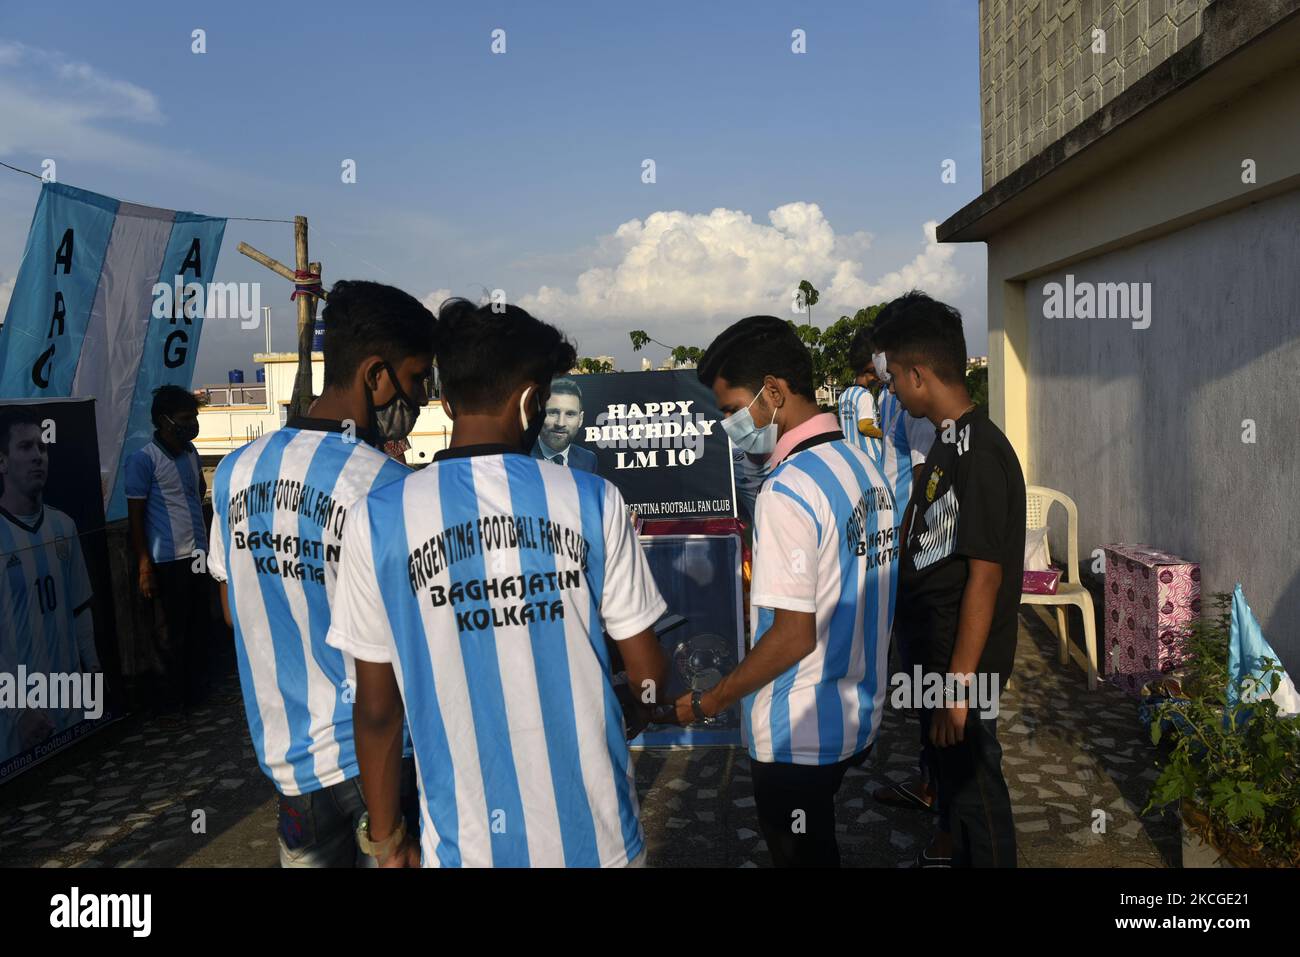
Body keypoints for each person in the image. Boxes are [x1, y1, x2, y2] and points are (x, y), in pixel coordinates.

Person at [327, 298, 669, 868]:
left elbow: (378, 711)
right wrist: (633, 705)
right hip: (598, 839)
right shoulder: (591, 501)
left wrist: (387, 839)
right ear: (532, 399)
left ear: (445, 396)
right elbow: (649, 676)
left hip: (465, 846)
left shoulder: (377, 519)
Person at [206, 280, 433, 867]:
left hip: (287, 769)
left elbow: (234, 611)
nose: (422, 398)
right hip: (384, 764)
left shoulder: (235, 472)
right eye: (416, 380)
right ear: (377, 376)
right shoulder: (388, 490)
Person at [675, 315, 898, 867]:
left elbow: (793, 636)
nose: (728, 426)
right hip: (857, 707)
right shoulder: (864, 468)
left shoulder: (788, 489)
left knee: (799, 853)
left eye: (731, 410)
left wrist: (712, 700)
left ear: (773, 391)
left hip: (797, 726)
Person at [872, 291, 1025, 868]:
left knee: (977, 790)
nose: (888, 390)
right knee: (952, 785)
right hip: (933, 651)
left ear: (917, 373)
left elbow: (985, 578)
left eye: (892, 378)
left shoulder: (981, 452)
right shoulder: (946, 439)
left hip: (963, 664)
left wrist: (958, 690)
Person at [0, 407, 99, 756]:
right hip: (19, 720)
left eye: (42, 448)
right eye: (25, 448)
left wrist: (94, 673)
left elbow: (79, 608)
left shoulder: (63, 526)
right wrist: (17, 709)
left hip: (68, 702)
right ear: (3, 462)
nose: (38, 457)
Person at [125, 385, 210, 715]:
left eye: (194, 418)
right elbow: (135, 515)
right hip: (167, 559)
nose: (192, 425)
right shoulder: (143, 460)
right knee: (169, 631)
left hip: (197, 554)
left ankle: (196, 691)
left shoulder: (191, 453)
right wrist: (145, 565)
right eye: (185, 419)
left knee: (198, 624)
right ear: (164, 420)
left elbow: (198, 490)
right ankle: (172, 700)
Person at [837, 328, 885, 458]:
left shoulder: (844, 395)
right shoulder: (865, 396)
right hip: (871, 456)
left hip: (853, 456)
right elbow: (864, 426)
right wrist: (882, 434)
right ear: (868, 370)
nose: (877, 378)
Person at [531, 377, 597, 472]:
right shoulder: (518, 459)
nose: (560, 423)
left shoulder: (588, 460)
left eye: (570, 414)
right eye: (553, 412)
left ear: (580, 419)